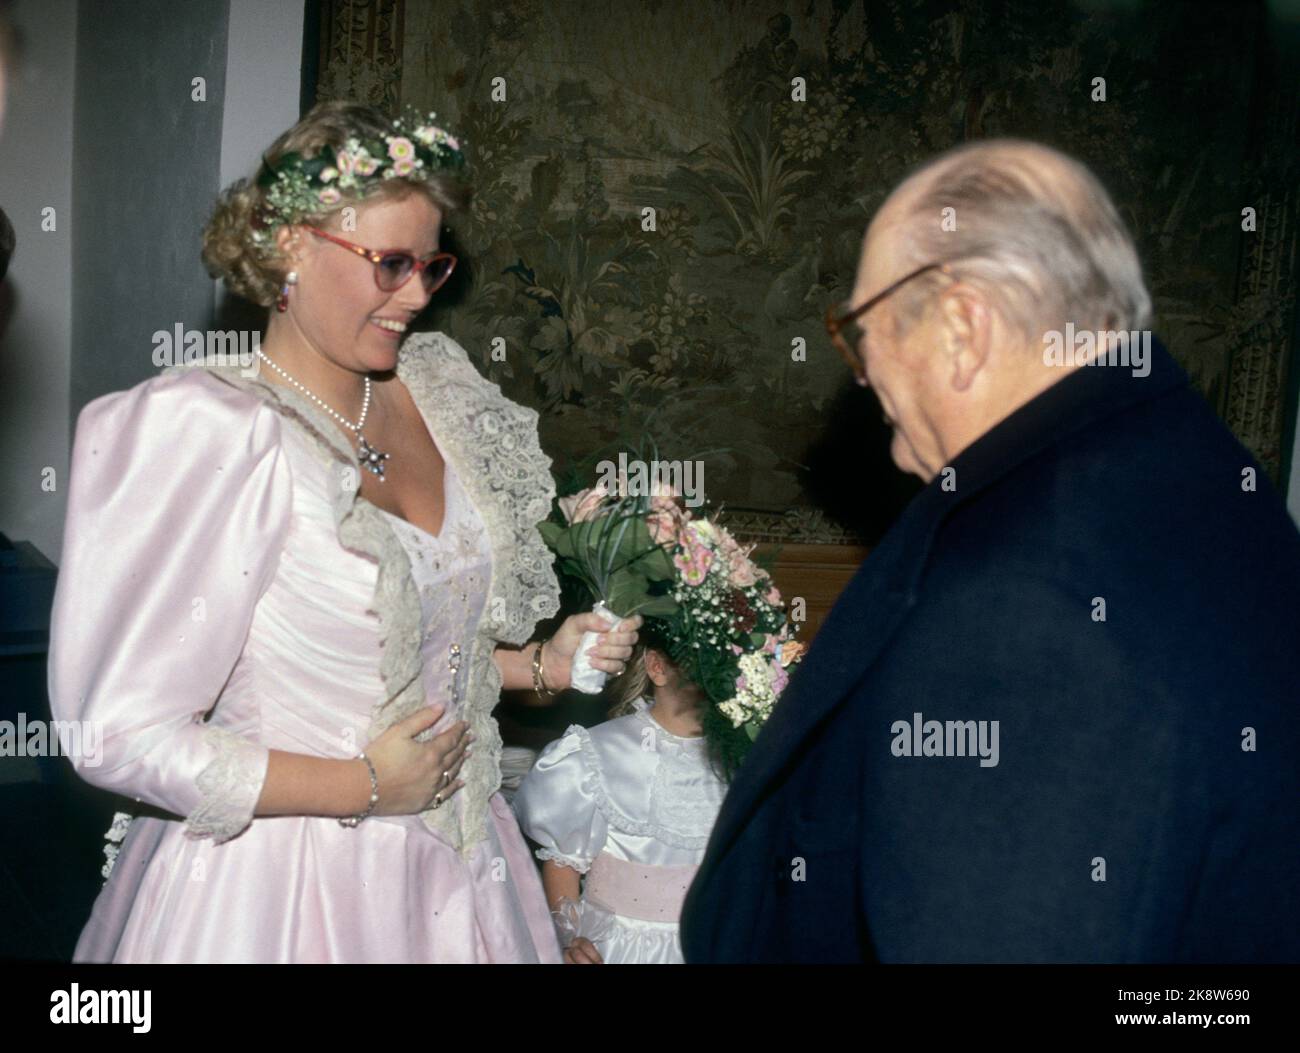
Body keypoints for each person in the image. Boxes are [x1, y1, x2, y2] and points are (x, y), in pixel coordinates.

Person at [47, 100, 640, 963]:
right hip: (280, 888)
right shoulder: (213, 431)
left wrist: (540, 664)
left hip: (461, 872)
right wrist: (363, 784)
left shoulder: (434, 391)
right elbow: (116, 735)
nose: (415, 297)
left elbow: (406, 646)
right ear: (289, 243)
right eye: (390, 263)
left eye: (431, 266)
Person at [680, 139, 1300, 963]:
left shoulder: (1020, 604)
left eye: (858, 334)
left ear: (962, 327)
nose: (860, 377)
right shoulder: (1214, 483)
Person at [513, 621, 726, 964]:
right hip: (622, 945)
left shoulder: (741, 756)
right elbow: (563, 860)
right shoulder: (598, 752)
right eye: (703, 659)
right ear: (657, 666)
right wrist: (569, 938)